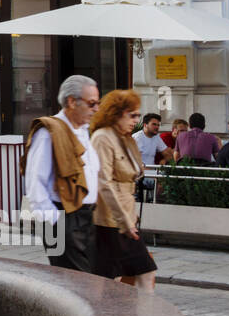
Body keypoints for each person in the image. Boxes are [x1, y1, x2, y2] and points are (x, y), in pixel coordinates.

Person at [22, 75, 101, 273]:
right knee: (78, 285)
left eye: (97, 103)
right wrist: (55, 222)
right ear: (71, 102)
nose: (96, 109)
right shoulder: (49, 132)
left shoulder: (83, 131)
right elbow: (34, 182)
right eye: (92, 103)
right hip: (63, 217)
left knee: (90, 282)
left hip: (86, 217)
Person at [90, 89, 157, 291]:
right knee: (108, 278)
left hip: (125, 218)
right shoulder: (102, 138)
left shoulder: (126, 139)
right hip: (110, 220)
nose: (136, 120)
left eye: (137, 115)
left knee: (140, 272)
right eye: (132, 115)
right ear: (116, 113)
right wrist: (124, 221)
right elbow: (104, 183)